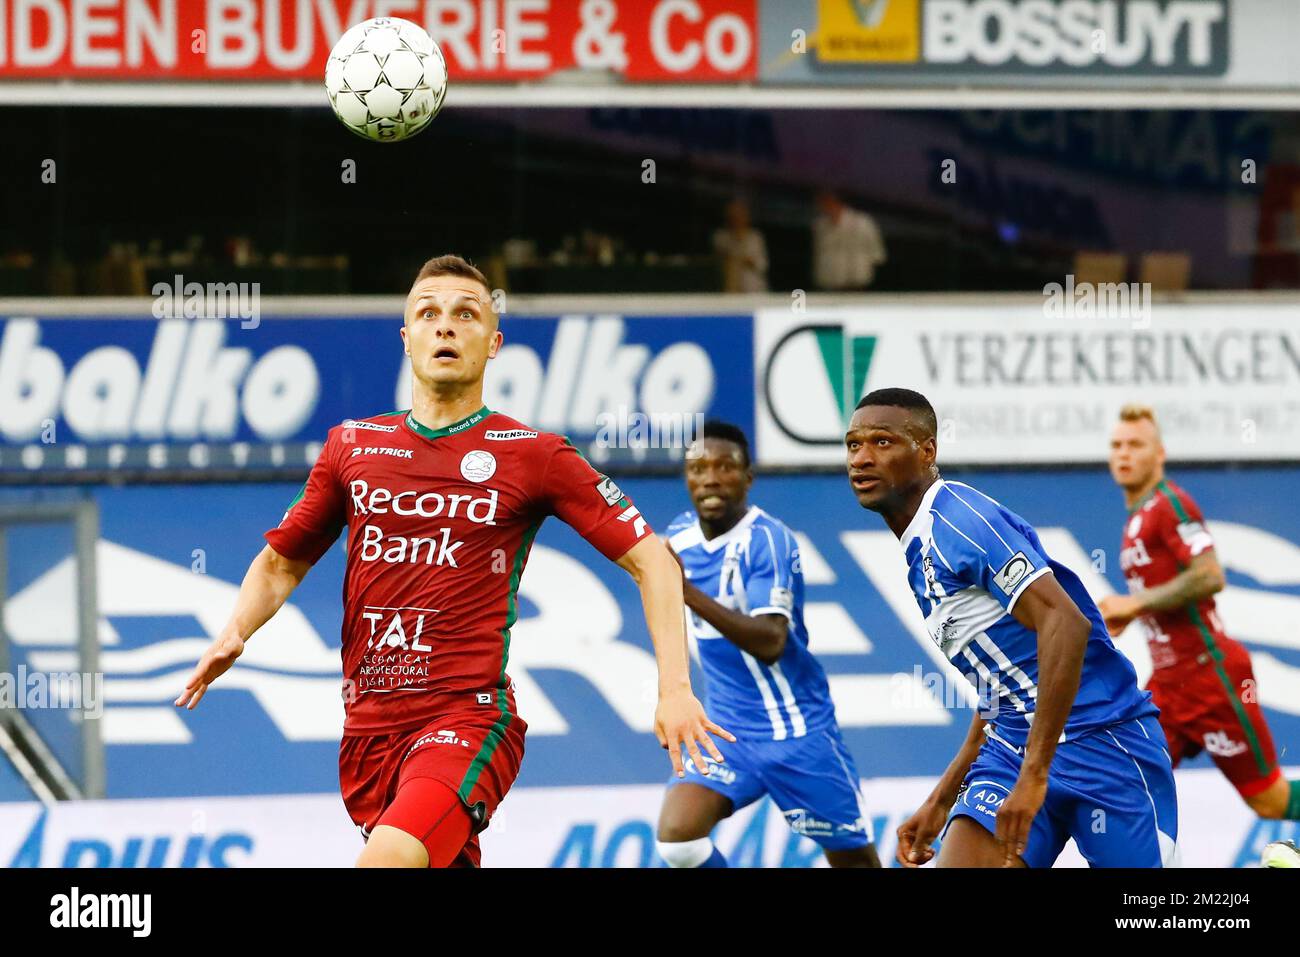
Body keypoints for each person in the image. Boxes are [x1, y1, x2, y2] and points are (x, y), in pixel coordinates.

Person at [175, 254, 731, 868]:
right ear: (406, 336)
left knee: (385, 863)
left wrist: (675, 689)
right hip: (367, 734)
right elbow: (282, 563)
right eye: (428, 313)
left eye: (466, 314)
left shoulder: (533, 455)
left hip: (466, 721)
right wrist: (235, 632)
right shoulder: (352, 446)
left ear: (493, 343)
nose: (445, 326)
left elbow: (654, 560)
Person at [845, 387, 1177, 868]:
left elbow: (1066, 623)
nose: (862, 458)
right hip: (1013, 748)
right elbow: (1002, 686)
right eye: (854, 444)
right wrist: (942, 798)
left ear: (927, 451)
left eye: (882, 442)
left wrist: (1036, 774)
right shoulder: (918, 550)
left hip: (1105, 743)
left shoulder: (960, 522)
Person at [656, 421, 880, 868]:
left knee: (854, 862)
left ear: (748, 477)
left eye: (725, 466)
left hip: (798, 735)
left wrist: (686, 590)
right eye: (698, 468)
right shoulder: (676, 537)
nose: (711, 478)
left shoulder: (770, 542)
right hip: (728, 732)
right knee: (678, 842)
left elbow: (772, 641)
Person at [1098, 404, 1300, 825]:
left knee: (1270, 801)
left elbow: (1209, 575)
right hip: (1170, 687)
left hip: (1211, 676)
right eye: (1117, 445)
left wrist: (1134, 603)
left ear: (1160, 454)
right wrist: (1136, 612)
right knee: (1129, 783)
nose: (1124, 453)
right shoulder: (1137, 519)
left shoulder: (1171, 503)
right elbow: (1167, 593)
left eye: (1136, 445)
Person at [812, 190, 886, 291]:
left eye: (825, 203)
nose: (822, 207)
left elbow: (876, 249)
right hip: (831, 280)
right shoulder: (820, 224)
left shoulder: (862, 221)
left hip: (857, 278)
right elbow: (820, 251)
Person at [712, 199, 768, 293]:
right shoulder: (720, 237)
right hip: (729, 291)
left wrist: (745, 259)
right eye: (733, 216)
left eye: (740, 215)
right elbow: (722, 259)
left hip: (754, 291)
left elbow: (762, 265)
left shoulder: (755, 237)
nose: (736, 219)